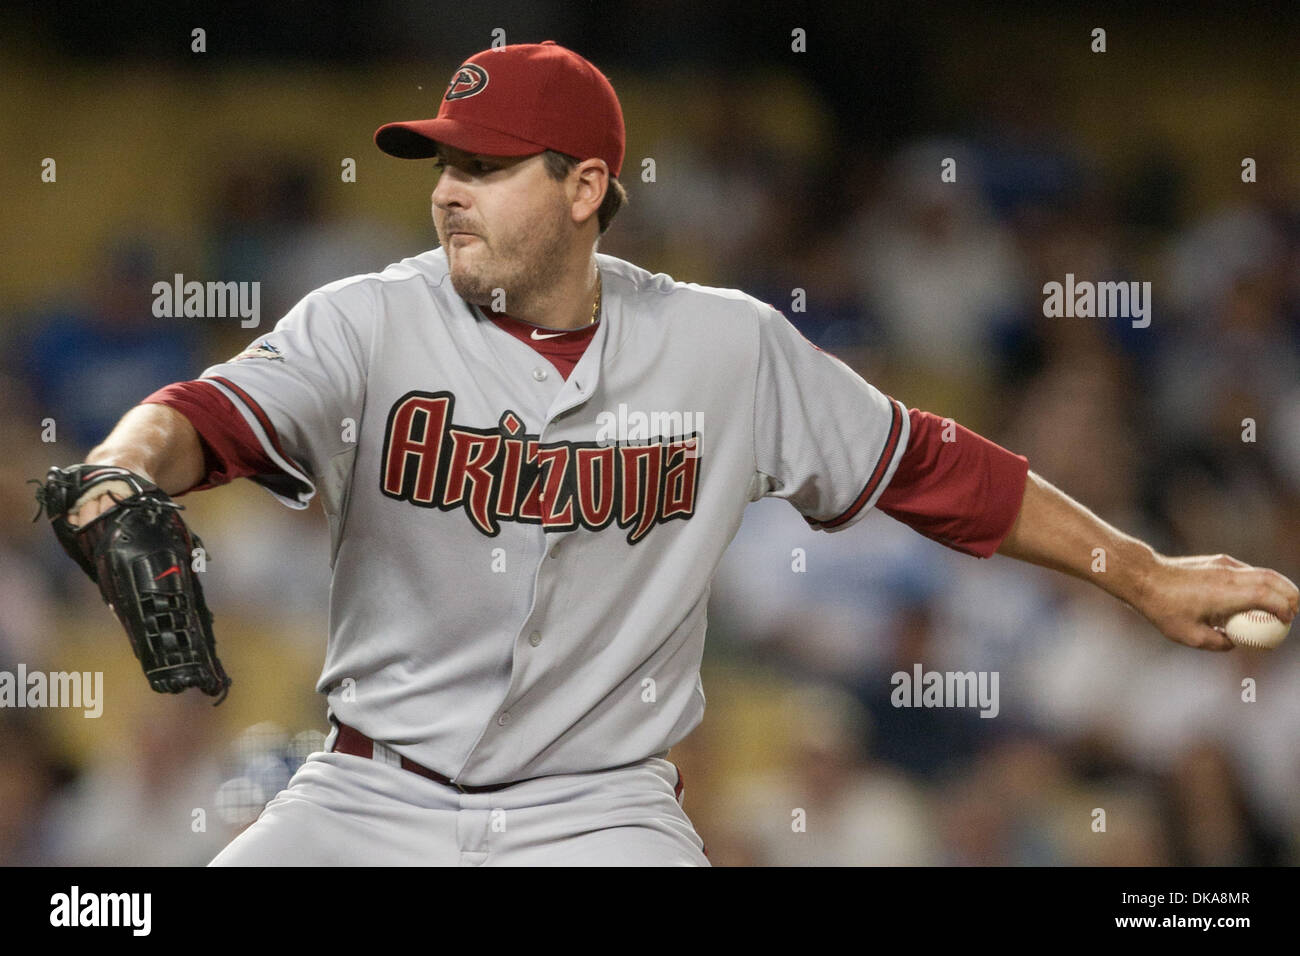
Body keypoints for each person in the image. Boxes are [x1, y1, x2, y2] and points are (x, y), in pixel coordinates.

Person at [62, 41, 1298, 866]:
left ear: (587, 184)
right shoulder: (368, 320)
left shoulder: (724, 347)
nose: (448, 191)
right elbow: (201, 417)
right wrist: (124, 463)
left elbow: (935, 469)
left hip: (597, 810)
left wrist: (1142, 572)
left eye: (487, 168)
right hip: (368, 795)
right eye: (445, 162)